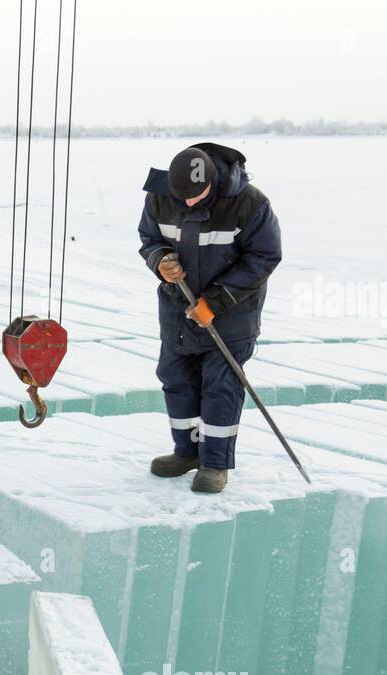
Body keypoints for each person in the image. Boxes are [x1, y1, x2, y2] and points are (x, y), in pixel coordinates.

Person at [137, 143, 282, 493]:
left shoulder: (249, 203)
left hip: (230, 315)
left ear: (211, 181)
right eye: (180, 196)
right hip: (177, 310)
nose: (187, 203)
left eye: (195, 196)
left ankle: (215, 463)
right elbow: (149, 238)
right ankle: (186, 452)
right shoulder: (159, 197)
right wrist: (160, 260)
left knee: (220, 386)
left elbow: (265, 256)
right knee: (176, 378)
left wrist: (217, 300)